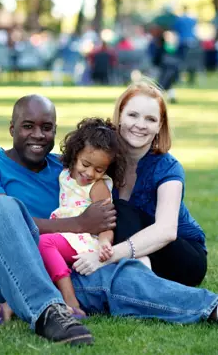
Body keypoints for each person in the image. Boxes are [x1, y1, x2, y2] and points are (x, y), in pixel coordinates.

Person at [0, 94, 218, 347]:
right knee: (5, 207)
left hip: (56, 273)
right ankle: (47, 313)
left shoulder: (69, 169)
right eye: (28, 126)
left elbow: (105, 164)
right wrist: (79, 224)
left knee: (121, 275)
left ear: (58, 132)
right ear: (12, 128)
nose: (37, 135)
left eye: (47, 127)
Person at [0, 117, 127, 321]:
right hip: (65, 236)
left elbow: (106, 222)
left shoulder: (98, 187)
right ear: (75, 154)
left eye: (99, 170)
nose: (89, 173)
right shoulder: (65, 174)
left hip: (84, 241)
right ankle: (8, 307)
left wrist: (104, 241)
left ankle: (70, 301)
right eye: (86, 164)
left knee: (43, 243)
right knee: (35, 257)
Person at [72, 81, 207, 287]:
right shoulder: (103, 161)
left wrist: (104, 257)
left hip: (180, 256)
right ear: (119, 116)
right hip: (124, 249)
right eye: (133, 115)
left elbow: (166, 231)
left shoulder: (168, 167)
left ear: (159, 126)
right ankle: (136, 280)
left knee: (120, 209)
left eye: (150, 119)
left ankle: (137, 277)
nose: (140, 125)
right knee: (108, 211)